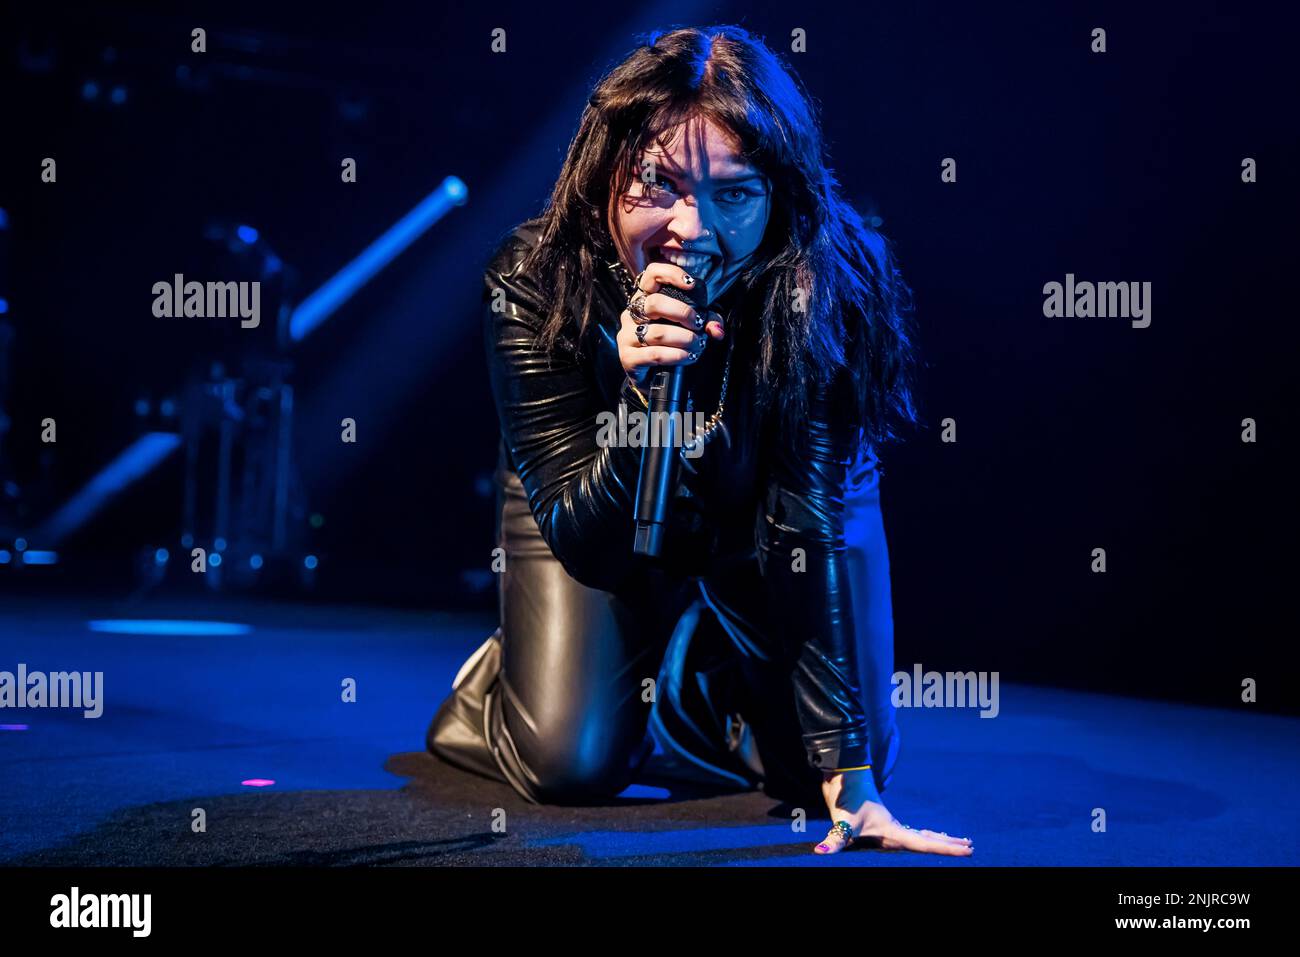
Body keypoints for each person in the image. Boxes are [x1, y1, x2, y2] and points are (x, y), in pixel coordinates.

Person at [428, 24, 972, 857]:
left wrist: (850, 784)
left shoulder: (825, 283)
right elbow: (593, 546)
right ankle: (499, 683)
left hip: (783, 504)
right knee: (566, 761)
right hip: (590, 486)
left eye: (734, 193)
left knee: (816, 766)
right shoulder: (536, 280)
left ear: (777, 195)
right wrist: (644, 398)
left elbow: (803, 530)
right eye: (661, 182)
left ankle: (692, 686)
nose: (693, 225)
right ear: (606, 173)